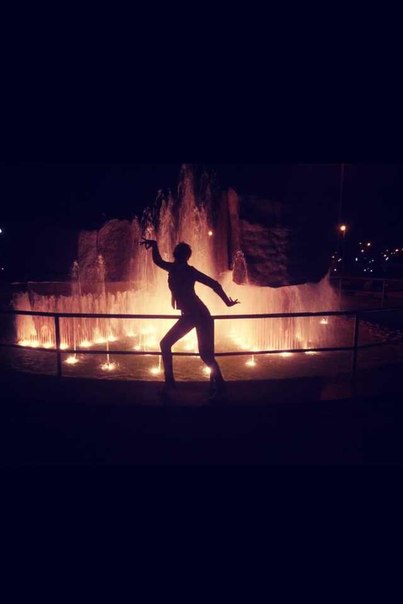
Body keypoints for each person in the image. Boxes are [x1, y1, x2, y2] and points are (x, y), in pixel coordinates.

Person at [140, 238, 240, 400]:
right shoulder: (182, 270)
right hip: (195, 315)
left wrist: (155, 246)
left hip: (197, 315)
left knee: (200, 353)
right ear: (187, 256)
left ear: (177, 255)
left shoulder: (178, 269)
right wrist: (227, 303)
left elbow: (214, 284)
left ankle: (215, 387)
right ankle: (173, 382)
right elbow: (214, 284)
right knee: (202, 354)